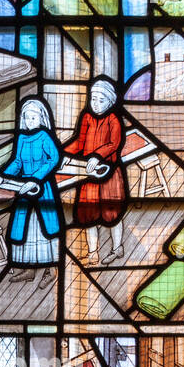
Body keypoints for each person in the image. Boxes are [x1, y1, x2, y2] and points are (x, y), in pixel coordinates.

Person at [0, 97, 61, 291]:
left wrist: (35, 179)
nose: (29, 121)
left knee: (45, 230)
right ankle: (29, 269)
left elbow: (53, 159)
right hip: (23, 190)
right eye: (26, 117)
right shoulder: (22, 138)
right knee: (25, 230)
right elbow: (17, 162)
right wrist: (2, 177)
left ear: (41, 118)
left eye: (33, 118)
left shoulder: (44, 136)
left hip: (42, 189)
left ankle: (51, 271)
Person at [63, 77, 129, 263]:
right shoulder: (87, 118)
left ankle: (117, 248)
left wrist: (97, 156)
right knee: (88, 214)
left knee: (112, 213)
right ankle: (93, 252)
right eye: (93, 99)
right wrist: (64, 155)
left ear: (110, 102)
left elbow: (113, 144)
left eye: (101, 100)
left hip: (109, 175)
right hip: (89, 176)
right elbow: (79, 142)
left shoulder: (113, 119)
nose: (96, 104)